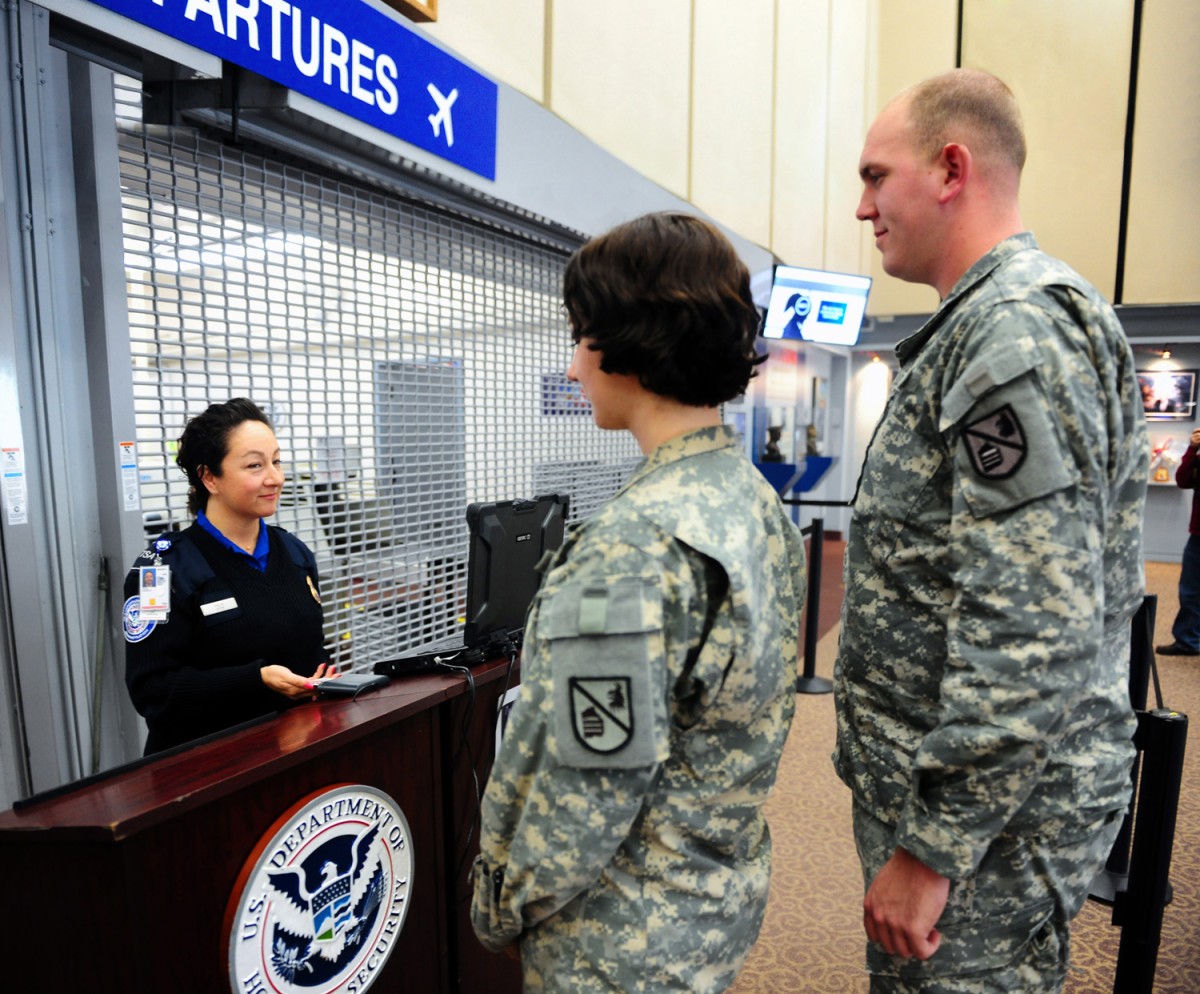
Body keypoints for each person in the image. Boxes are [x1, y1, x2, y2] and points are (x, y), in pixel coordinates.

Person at [835, 68, 1148, 993]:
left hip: (984, 836)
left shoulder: (1013, 334)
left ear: (950, 169)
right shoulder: (985, 325)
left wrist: (932, 852)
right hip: (971, 809)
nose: (863, 207)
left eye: (875, 176)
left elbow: (1030, 626)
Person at [470, 212, 807, 993]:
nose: (573, 364)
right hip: (710, 901)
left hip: (617, 938)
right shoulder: (750, 500)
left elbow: (584, 791)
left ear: (628, 346)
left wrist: (499, 905)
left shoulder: (636, 542)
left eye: (581, 335)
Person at [123, 398, 336, 754]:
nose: (276, 478)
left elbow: (312, 650)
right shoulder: (157, 572)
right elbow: (153, 691)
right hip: (207, 768)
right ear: (209, 476)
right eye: (255, 465)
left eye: (276, 461)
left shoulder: (295, 553)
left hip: (293, 753)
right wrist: (256, 680)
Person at [1157, 426, 1200, 656]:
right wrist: (1192, 450)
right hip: (1198, 535)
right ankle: (1187, 641)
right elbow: (1183, 480)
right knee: (1190, 590)